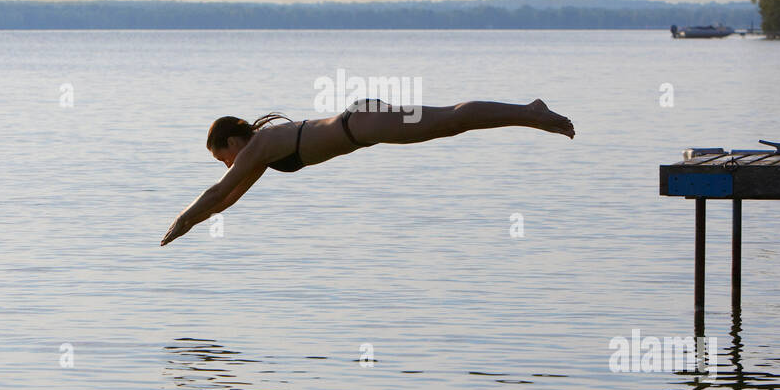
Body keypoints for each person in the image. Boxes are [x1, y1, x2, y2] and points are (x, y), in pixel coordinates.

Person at [160, 98, 573, 245]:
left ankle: (529, 112)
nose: (229, 165)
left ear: (233, 141)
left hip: (363, 123)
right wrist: (195, 222)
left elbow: (218, 192)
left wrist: (182, 220)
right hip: (366, 118)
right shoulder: (261, 152)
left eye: (223, 157)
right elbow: (226, 199)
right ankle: (527, 114)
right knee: (448, 124)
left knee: (449, 121)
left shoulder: (260, 146)